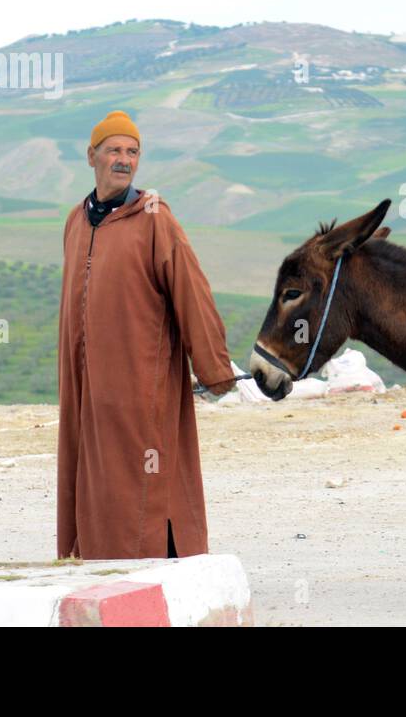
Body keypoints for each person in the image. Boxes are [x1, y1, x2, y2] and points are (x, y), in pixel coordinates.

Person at [56, 110, 236, 559]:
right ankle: (97, 560)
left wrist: (214, 370)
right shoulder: (76, 220)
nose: (124, 160)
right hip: (85, 382)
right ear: (91, 156)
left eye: (132, 152)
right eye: (114, 150)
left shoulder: (154, 218)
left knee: (145, 474)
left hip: (140, 380)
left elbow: (192, 291)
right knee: (91, 469)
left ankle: (161, 561)